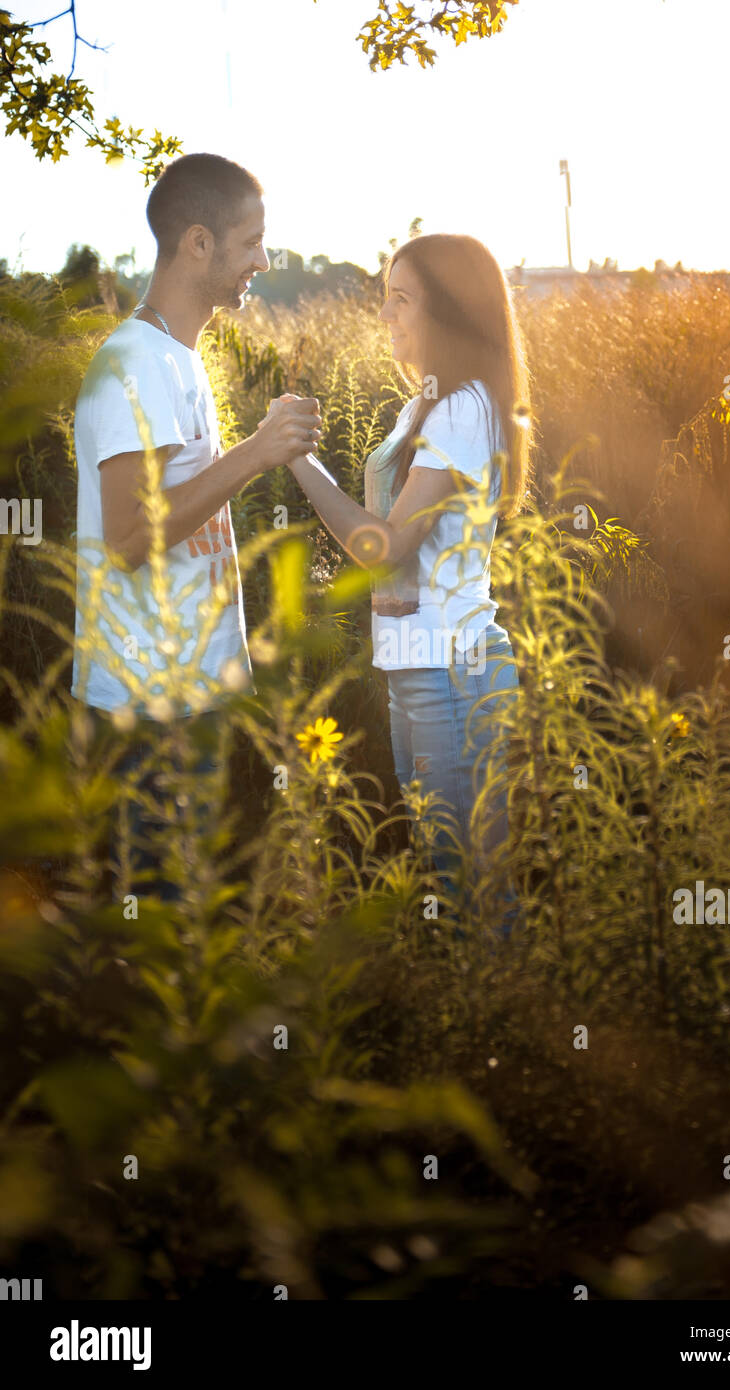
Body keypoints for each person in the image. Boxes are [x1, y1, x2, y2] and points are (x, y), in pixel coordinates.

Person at [264, 233, 533, 936]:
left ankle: (508, 998)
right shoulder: (421, 408)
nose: (384, 313)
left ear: (448, 311)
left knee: (475, 883)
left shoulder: (464, 408)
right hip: (415, 666)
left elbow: (384, 548)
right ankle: (477, 997)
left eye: (401, 299)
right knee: (448, 870)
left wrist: (298, 461)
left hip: (454, 667)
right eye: (385, 297)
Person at [71, 152, 321, 897]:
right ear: (199, 244)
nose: (263, 261)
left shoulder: (175, 356)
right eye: (252, 243)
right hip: (149, 704)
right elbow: (126, 539)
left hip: (185, 691)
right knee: (158, 923)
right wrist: (255, 453)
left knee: (185, 920)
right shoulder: (137, 362)